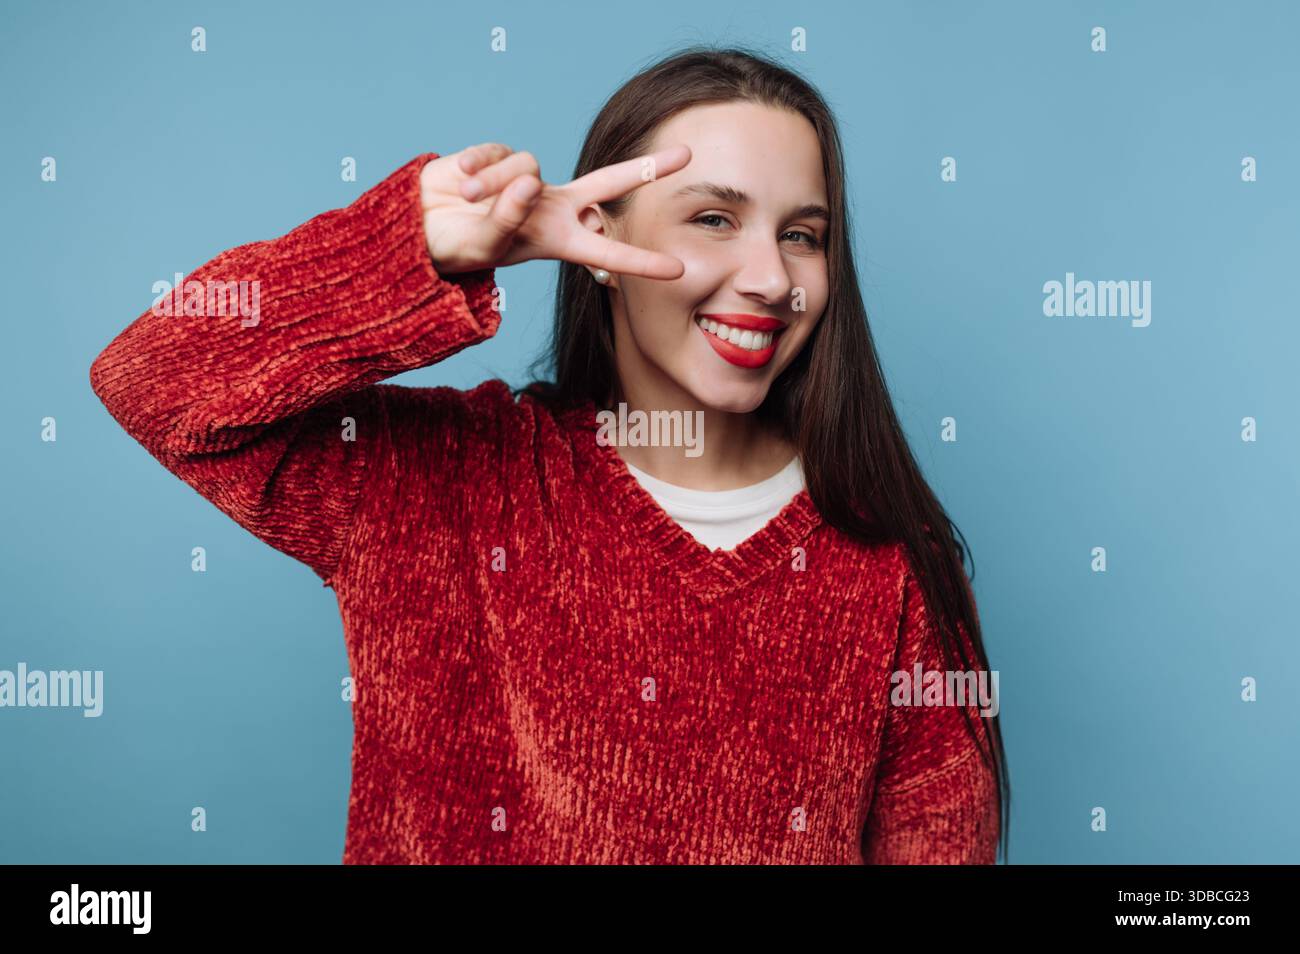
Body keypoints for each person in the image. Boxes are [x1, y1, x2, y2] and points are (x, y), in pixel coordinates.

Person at [90, 44, 1009, 864]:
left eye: (801, 235)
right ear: (599, 243)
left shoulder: (893, 564)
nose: (771, 279)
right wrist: (414, 250)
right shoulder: (435, 483)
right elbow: (151, 377)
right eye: (714, 220)